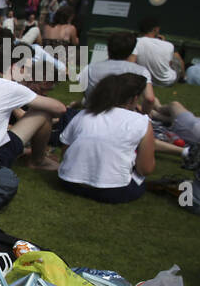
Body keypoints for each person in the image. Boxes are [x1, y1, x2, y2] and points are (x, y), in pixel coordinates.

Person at [57, 73, 154, 204]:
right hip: (113, 191)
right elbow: (145, 169)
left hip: (69, 182)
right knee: (138, 176)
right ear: (133, 99)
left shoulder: (84, 114)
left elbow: (65, 152)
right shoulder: (141, 121)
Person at [81, 30, 155, 105]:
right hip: (124, 112)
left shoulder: (89, 68)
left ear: (108, 47)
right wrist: (143, 113)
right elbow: (150, 99)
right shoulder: (141, 71)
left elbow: (87, 95)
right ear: (131, 50)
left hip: (94, 111)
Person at [133, 17, 178, 87]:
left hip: (143, 79)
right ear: (156, 29)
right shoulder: (168, 45)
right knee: (176, 58)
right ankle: (184, 78)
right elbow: (169, 64)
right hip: (166, 81)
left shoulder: (135, 42)